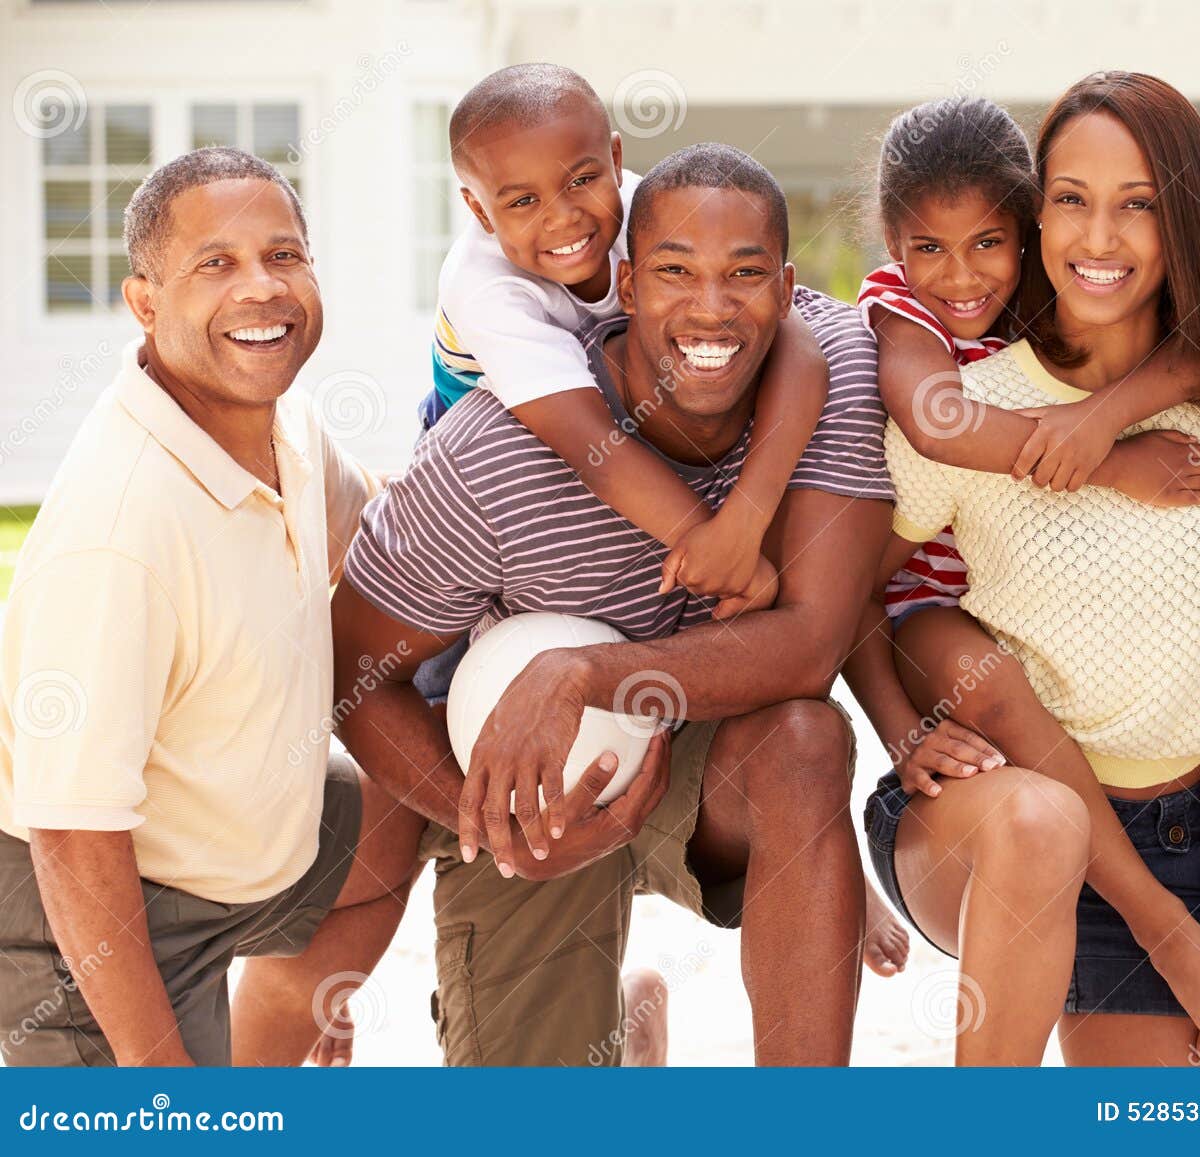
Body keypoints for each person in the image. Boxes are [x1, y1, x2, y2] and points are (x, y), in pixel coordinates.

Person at [330, 143, 896, 1066]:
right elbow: (355, 668)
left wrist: (588, 671)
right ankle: (626, 1032)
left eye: (744, 276)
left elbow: (809, 646)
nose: (711, 308)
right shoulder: (494, 452)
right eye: (675, 273)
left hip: (720, 757)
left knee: (807, 736)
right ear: (626, 285)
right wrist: (498, 830)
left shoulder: (832, 367)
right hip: (533, 780)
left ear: (787, 290)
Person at [857, 73, 1200, 1065]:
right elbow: (859, 600)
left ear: (1184, 221)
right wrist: (901, 728)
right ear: (1035, 215)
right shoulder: (968, 410)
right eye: (1072, 201)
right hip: (1020, 823)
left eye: (1137, 205)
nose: (1098, 237)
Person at [0, 148, 422, 1067]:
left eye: (285, 254)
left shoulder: (284, 422)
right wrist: (167, 1086)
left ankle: (260, 1076)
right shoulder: (118, 535)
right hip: (80, 915)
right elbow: (73, 836)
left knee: (399, 812)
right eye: (216, 264)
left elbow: (379, 531)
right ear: (145, 303)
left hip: (233, 847)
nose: (262, 289)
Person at [424, 62, 828, 617]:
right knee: (454, 602)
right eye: (522, 202)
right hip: (488, 431)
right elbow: (595, 450)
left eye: (582, 181)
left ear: (615, 160)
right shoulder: (484, 288)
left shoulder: (652, 211)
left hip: (615, 407)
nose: (563, 218)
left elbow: (798, 346)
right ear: (478, 209)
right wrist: (720, 554)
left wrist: (744, 524)